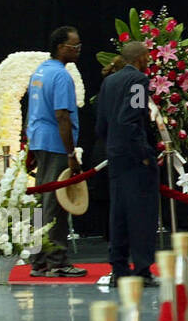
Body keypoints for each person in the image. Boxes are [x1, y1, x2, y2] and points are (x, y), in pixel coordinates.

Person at [94, 40, 160, 287]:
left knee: (118, 213)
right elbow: (130, 119)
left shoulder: (109, 81)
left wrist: (114, 146)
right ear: (141, 58)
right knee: (141, 214)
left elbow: (101, 123)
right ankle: (142, 269)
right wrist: (144, 152)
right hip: (135, 158)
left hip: (115, 155)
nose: (149, 61)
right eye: (147, 57)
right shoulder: (139, 82)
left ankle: (119, 268)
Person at [27, 26, 87, 278]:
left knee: (42, 202)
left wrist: (30, 146)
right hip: (55, 144)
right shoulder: (62, 76)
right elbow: (62, 116)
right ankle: (57, 261)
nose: (78, 50)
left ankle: (39, 260)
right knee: (55, 204)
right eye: (75, 46)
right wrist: (71, 154)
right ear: (62, 47)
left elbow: (30, 109)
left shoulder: (40, 71)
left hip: (39, 140)